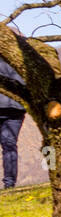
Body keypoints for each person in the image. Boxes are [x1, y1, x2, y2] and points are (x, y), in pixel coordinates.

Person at [0, 57, 26, 189]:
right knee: (9, 146)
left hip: (13, 110)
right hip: (16, 109)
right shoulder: (20, 58)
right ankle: (9, 183)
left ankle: (9, 183)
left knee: (9, 146)